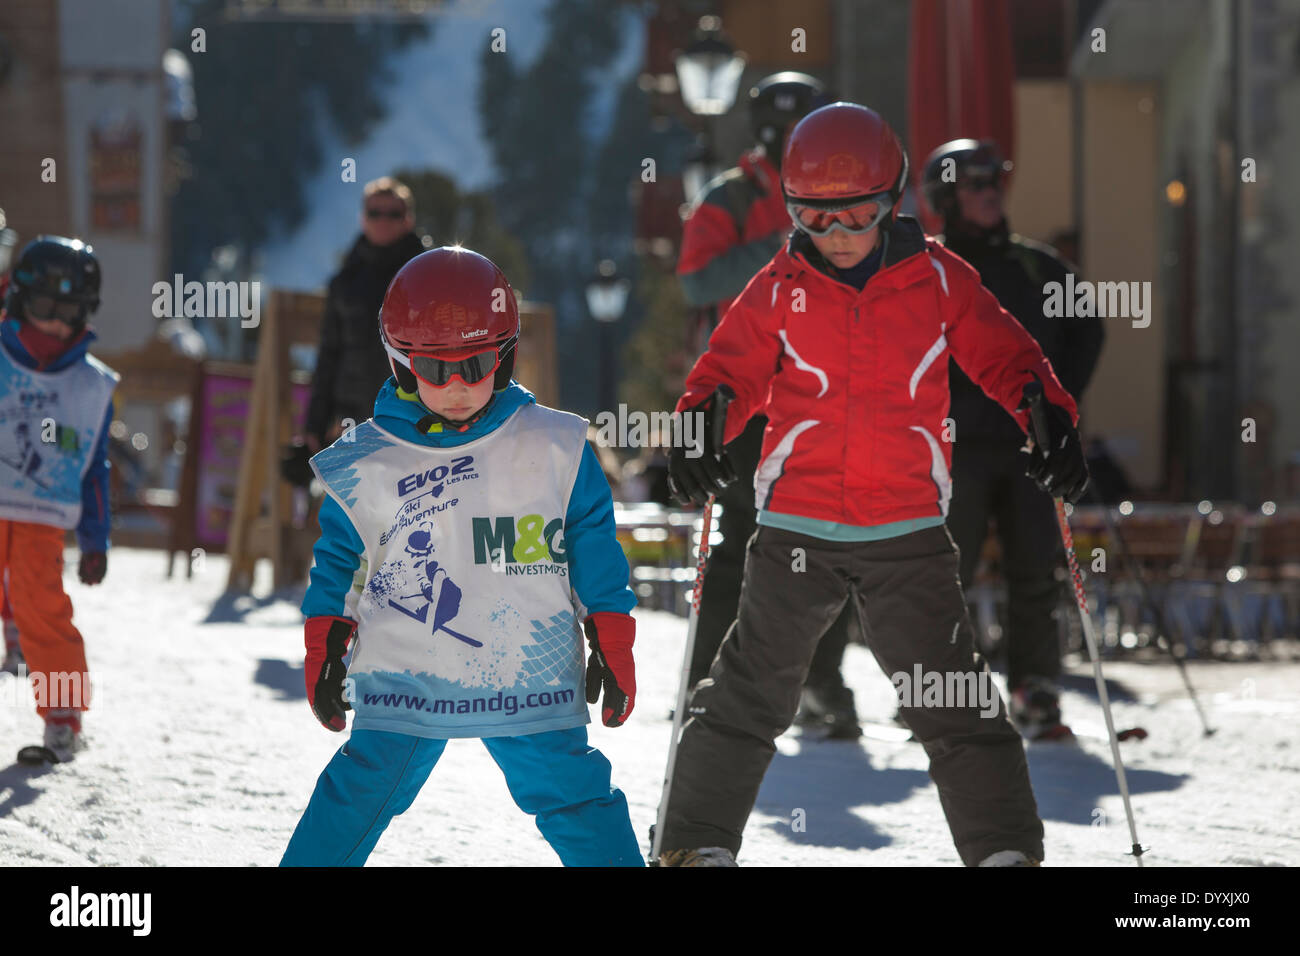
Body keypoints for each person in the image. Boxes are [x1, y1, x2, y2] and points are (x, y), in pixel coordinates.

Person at [660, 103, 1089, 867]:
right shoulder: (778, 286)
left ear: (893, 200)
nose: (838, 238)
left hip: (908, 533)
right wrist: (698, 429)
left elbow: (1007, 354)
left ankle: (1003, 853)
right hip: (797, 527)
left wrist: (1043, 409)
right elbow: (724, 374)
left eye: (855, 215)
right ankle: (695, 845)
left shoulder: (936, 279)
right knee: (746, 695)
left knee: (952, 700)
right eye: (814, 219)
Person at [281, 246, 642, 867]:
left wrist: (611, 630)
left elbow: (592, 541)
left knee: (577, 799)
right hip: (406, 670)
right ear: (399, 362)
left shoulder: (556, 445)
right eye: (431, 368)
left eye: (474, 365)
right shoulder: (366, 460)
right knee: (355, 796)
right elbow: (340, 558)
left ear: (505, 356)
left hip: (527, 667)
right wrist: (324, 642)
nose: (454, 387)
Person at [676, 71, 860, 737]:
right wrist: (783, 241)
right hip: (748, 398)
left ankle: (820, 683)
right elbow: (696, 277)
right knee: (740, 547)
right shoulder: (731, 195)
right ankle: (708, 680)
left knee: (834, 541)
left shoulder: (841, 197)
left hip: (825, 393)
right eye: (790, 131)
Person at [922, 139, 1105, 739]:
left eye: (995, 181)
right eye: (976, 185)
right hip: (957, 450)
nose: (992, 194)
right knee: (950, 573)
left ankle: (1037, 689)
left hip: (1031, 450)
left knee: (1036, 572)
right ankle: (941, 691)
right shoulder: (930, 269)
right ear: (947, 197)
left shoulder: (1038, 265)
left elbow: (1089, 326)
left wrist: (1059, 406)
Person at [0, 236, 117, 762]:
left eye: (66, 311)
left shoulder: (89, 387)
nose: (53, 322)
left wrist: (95, 537)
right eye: (43, 307)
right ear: (21, 299)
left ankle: (64, 715)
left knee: (43, 610)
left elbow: (94, 466)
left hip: (41, 517)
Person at [283, 178, 427, 485]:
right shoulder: (345, 281)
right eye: (376, 212)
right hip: (354, 420)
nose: (383, 220)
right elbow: (328, 354)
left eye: (393, 213)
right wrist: (315, 424)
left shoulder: (428, 275)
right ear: (363, 218)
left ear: (409, 219)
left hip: (417, 415)